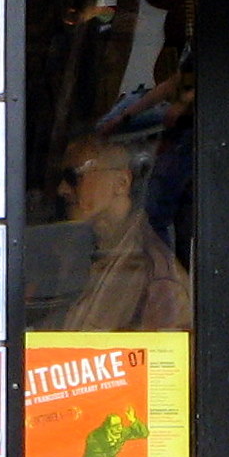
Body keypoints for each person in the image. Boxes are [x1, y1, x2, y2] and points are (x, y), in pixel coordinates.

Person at [50, 138, 192, 330]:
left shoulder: (156, 277)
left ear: (121, 183)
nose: (63, 189)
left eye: (74, 177)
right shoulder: (80, 253)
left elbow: (162, 357)